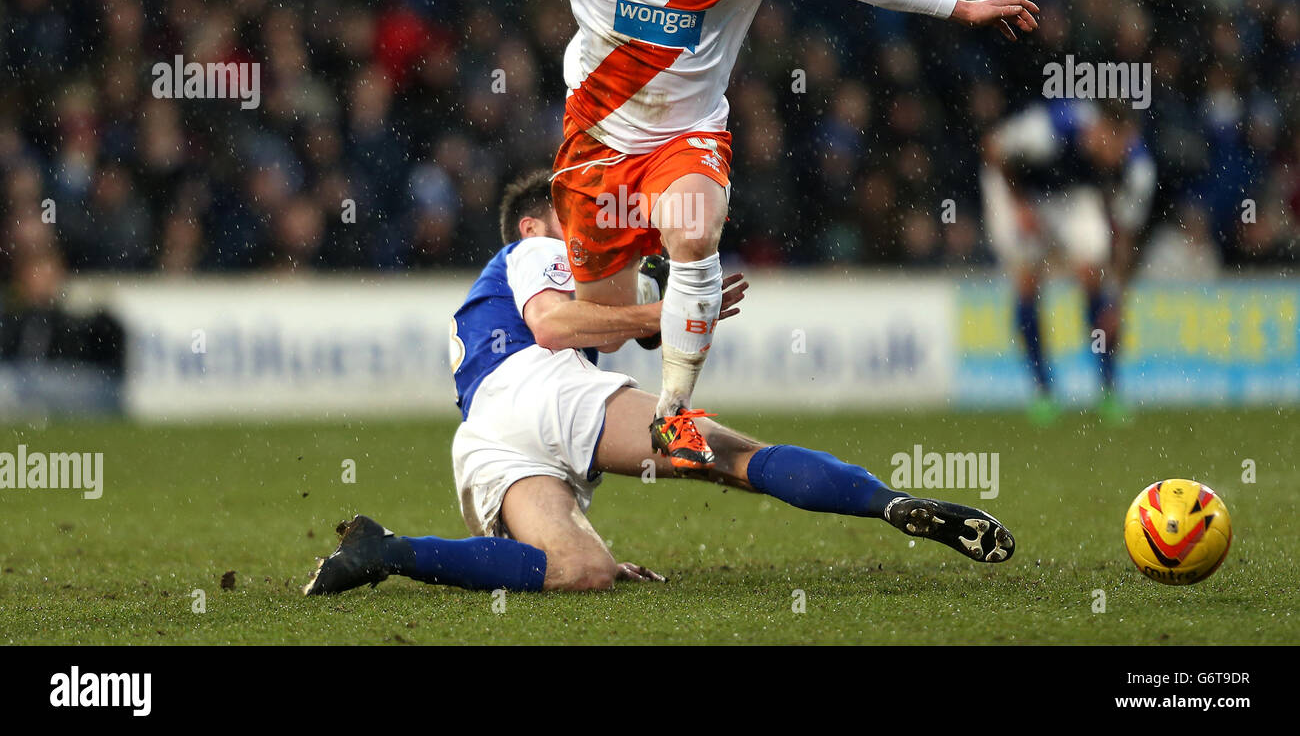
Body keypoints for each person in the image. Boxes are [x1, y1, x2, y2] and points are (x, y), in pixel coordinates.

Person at [272, 0, 1040, 470]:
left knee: (694, 229)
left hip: (688, 135)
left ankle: (674, 409)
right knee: (605, 326)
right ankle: (651, 302)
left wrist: (956, 9)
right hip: (597, 143)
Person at [303, 171, 1015, 595]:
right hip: (546, 397)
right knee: (726, 455)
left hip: (492, 437)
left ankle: (385, 549)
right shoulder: (534, 248)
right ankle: (890, 502)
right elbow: (554, 325)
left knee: (580, 569)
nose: (582, 227)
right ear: (532, 221)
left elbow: (619, 323)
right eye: (569, 214)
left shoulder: (517, 283)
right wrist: (663, 304)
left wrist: (661, 299)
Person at [980, 97, 1155, 425]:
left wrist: (1116, 299)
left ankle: (1109, 389)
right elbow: (993, 148)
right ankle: (1043, 392)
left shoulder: (1137, 168)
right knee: (1027, 279)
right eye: (1116, 145)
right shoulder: (1055, 127)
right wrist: (1019, 206)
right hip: (1017, 189)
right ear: (1102, 130)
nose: (1119, 156)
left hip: (1071, 192)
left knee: (1092, 271)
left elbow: (1126, 237)